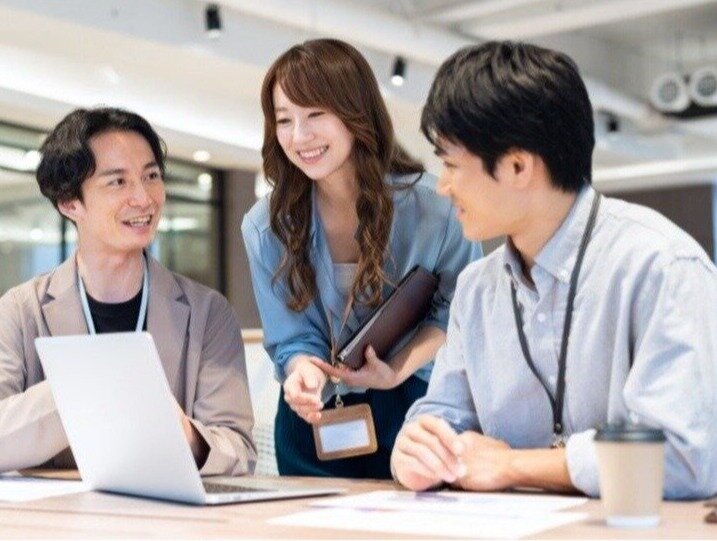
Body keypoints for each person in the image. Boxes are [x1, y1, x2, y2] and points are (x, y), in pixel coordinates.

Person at [391, 41, 717, 499]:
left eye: (451, 165)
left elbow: (686, 457)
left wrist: (512, 466)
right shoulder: (476, 288)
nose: (442, 187)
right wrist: (416, 450)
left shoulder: (661, 267)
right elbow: (442, 417)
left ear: (518, 166)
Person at [242, 38, 480, 478]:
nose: (299, 136)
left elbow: (459, 315)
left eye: (315, 114)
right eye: (284, 120)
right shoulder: (265, 225)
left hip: (415, 409)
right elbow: (290, 337)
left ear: (356, 113)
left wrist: (395, 369)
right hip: (312, 420)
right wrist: (302, 372)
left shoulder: (438, 209)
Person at [0, 107, 256, 475]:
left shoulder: (207, 312)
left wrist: (186, 436)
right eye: (118, 182)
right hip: (59, 509)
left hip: (166, 507)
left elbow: (240, 450)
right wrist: (80, 388)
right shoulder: (20, 310)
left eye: (151, 176)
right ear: (70, 202)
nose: (144, 198)